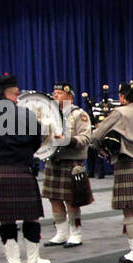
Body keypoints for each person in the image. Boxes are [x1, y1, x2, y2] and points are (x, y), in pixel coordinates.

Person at [0, 75, 51, 263]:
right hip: (20, 170)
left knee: (5, 219)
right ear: (13, 94)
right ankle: (34, 262)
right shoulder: (26, 115)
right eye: (16, 94)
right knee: (31, 217)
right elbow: (37, 140)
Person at [89, 83, 133, 263]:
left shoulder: (120, 113)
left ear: (123, 97)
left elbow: (97, 136)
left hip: (128, 164)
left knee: (129, 210)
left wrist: (103, 151)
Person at [41, 82, 93, 249]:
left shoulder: (79, 114)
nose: (55, 96)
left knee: (72, 201)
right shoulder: (48, 115)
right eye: (54, 93)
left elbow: (86, 138)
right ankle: (61, 233)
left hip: (72, 162)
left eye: (59, 93)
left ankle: (75, 232)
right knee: (54, 198)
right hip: (53, 161)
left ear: (69, 96)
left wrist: (68, 140)